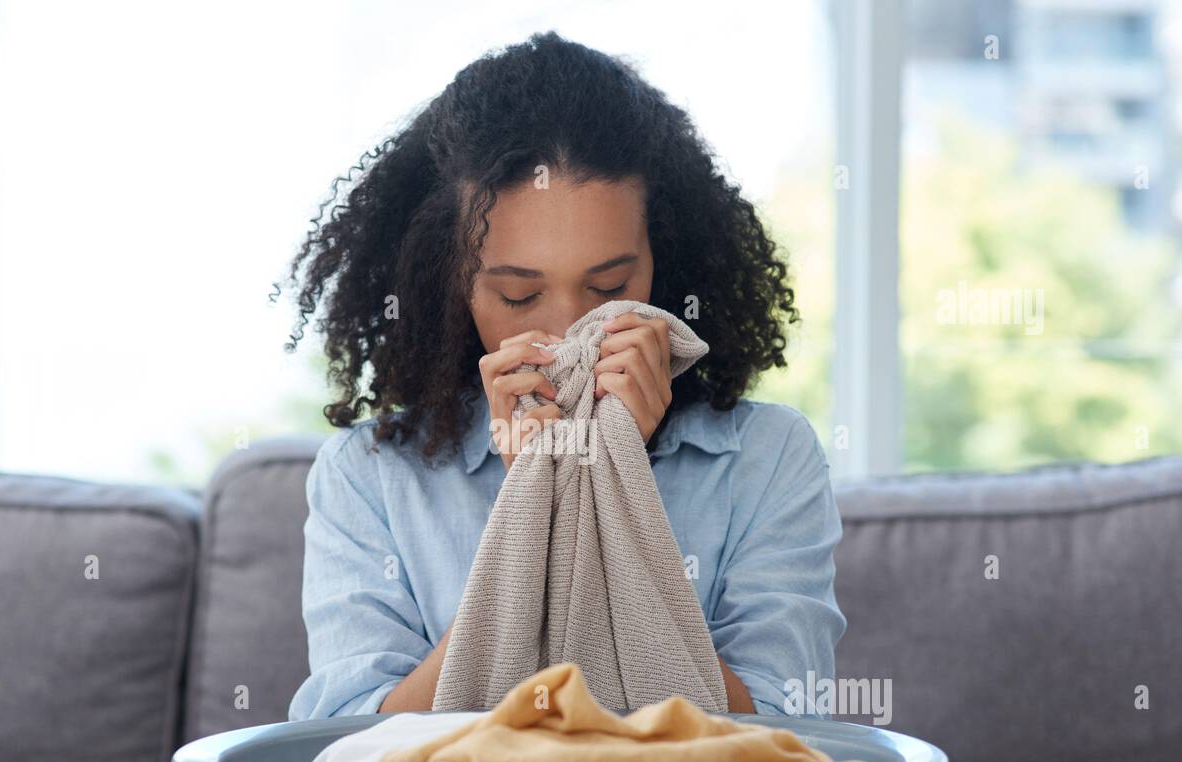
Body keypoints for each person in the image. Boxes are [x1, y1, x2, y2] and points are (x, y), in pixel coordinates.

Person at [281, 31, 844, 719]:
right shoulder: (365, 477)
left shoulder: (768, 458)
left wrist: (611, 481)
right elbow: (348, 743)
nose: (570, 329)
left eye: (609, 286)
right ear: (454, 286)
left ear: (661, 262)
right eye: (519, 296)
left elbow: (786, 731)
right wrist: (538, 503)